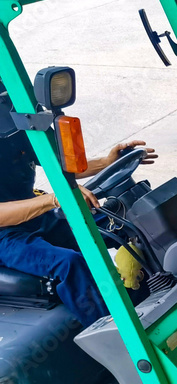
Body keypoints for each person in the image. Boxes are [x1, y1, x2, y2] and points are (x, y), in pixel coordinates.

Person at [0, 128, 157, 326]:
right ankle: (116, 331)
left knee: (122, 225)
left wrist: (106, 163)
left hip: (37, 215)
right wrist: (55, 199)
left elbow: (59, 165)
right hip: (5, 235)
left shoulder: (13, 129)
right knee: (69, 263)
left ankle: (155, 295)